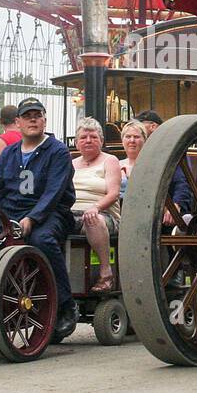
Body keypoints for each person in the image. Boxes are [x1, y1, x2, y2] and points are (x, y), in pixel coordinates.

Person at [0, 97, 79, 338]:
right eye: (27, 116)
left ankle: (65, 306)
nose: (33, 119)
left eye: (37, 114)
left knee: (40, 240)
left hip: (51, 214)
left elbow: (54, 193)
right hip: (11, 213)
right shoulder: (9, 153)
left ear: (45, 119)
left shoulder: (57, 151)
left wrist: (33, 218)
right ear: (18, 122)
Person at [70, 118, 122, 292]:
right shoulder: (71, 164)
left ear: (101, 140)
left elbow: (114, 194)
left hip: (104, 215)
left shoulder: (110, 160)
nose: (88, 140)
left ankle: (106, 275)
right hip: (72, 214)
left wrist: (95, 207)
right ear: (76, 143)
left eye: (93, 136)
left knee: (93, 219)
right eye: (83, 137)